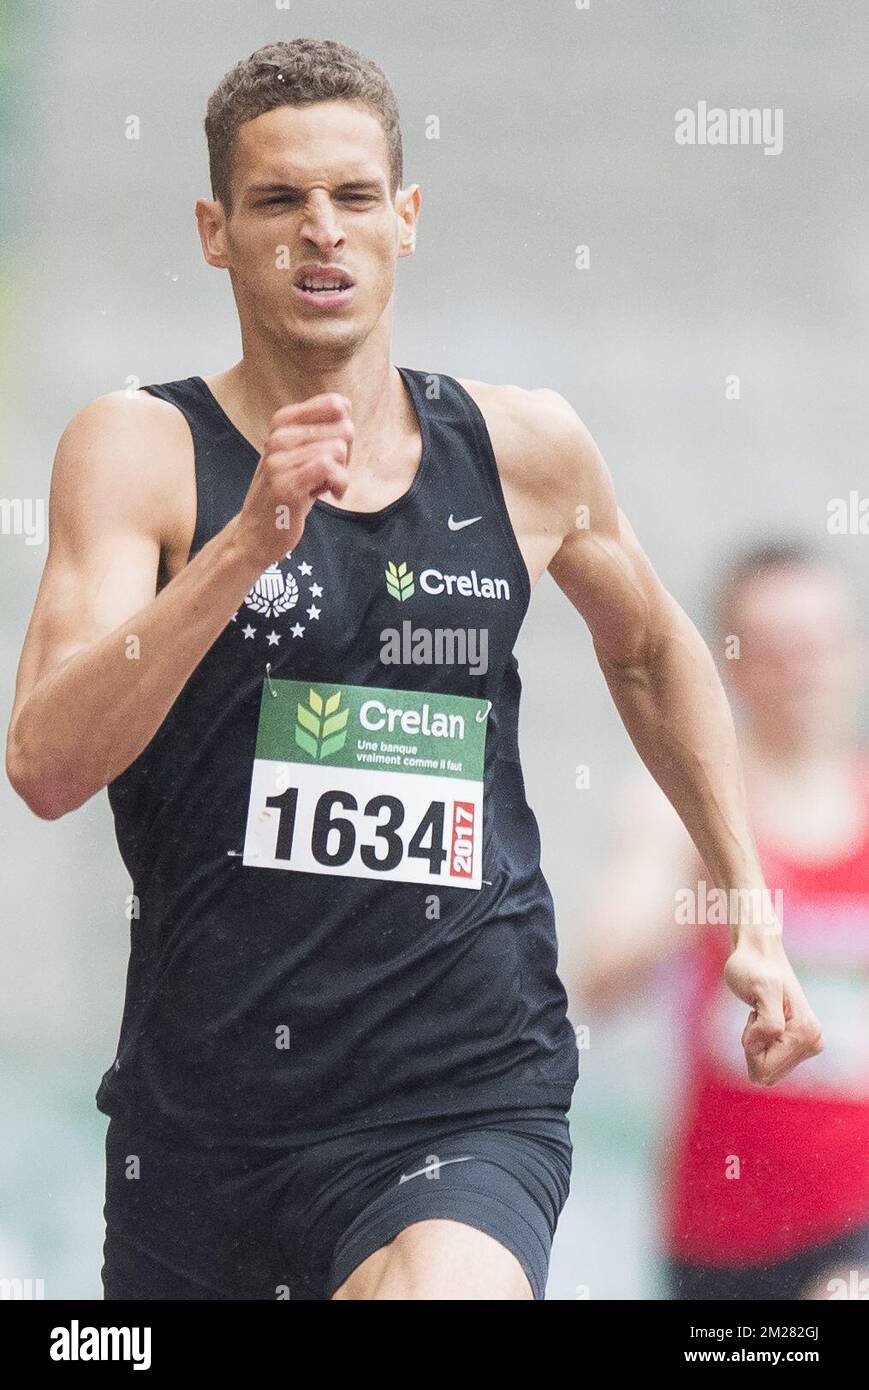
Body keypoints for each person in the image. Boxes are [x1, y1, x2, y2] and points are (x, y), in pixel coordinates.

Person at [5, 39, 822, 1301]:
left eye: (352, 197)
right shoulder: (139, 450)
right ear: (215, 231)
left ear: (406, 218)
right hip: (204, 1124)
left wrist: (746, 910)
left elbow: (655, 648)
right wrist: (241, 549)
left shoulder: (523, 450)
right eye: (278, 202)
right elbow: (47, 764)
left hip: (461, 1087)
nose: (320, 232)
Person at [579, 542, 869, 1299]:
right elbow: (602, 974)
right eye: (773, 653)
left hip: (856, 1217)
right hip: (720, 1229)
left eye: (815, 647)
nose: (799, 673)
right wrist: (702, 891)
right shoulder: (680, 811)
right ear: (728, 667)